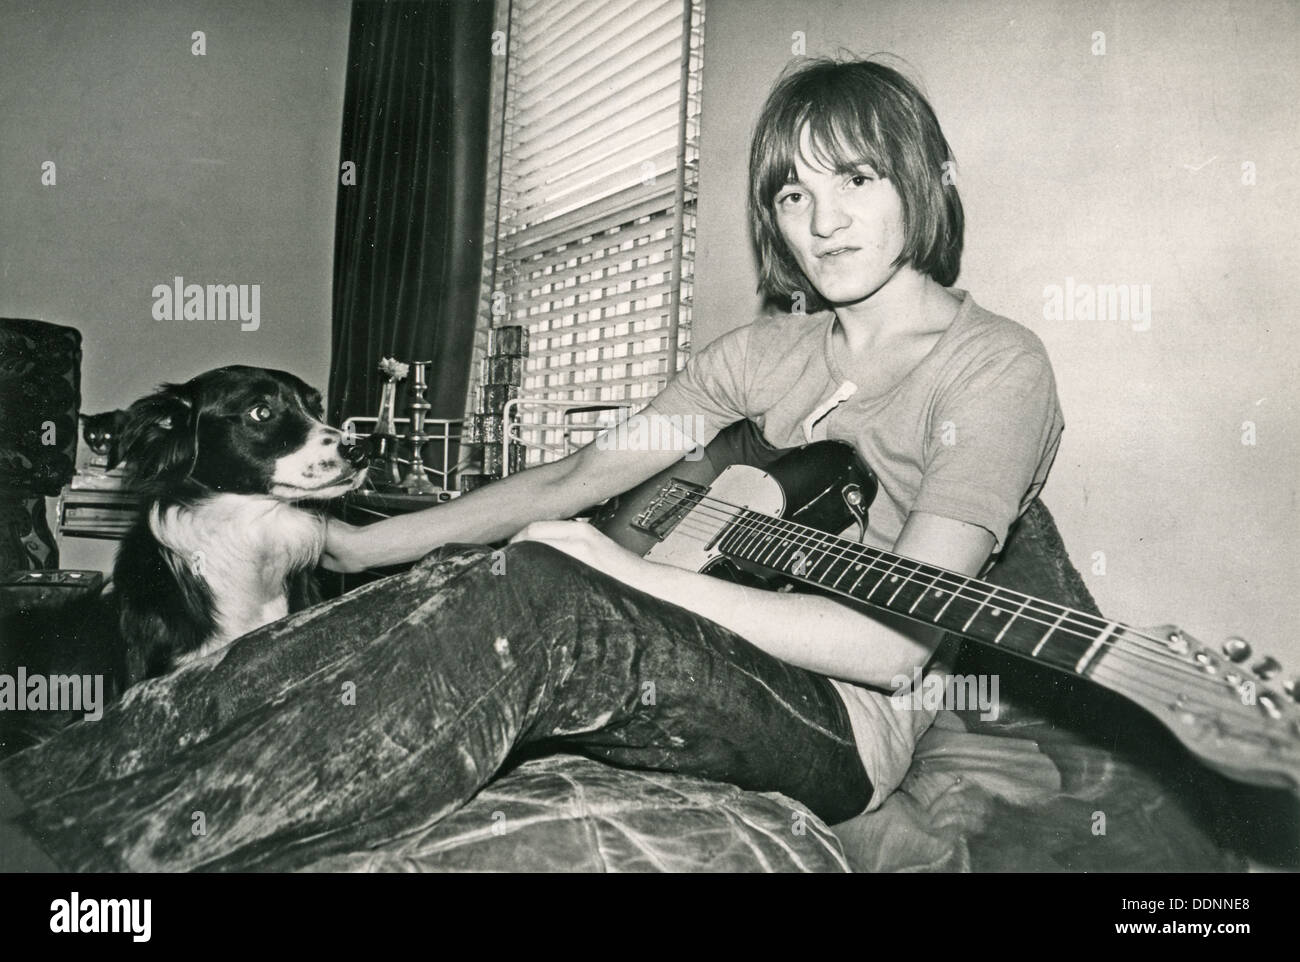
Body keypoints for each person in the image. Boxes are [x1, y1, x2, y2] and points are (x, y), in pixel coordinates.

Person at [0, 56, 1064, 871]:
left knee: (544, 591)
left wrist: (618, 574)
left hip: (839, 715)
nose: (820, 219)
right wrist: (370, 542)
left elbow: (885, 642)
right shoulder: (765, 352)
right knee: (465, 578)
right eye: (791, 193)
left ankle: (115, 861)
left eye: (856, 179)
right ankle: (61, 794)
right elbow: (571, 482)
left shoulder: (994, 367)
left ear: (927, 179)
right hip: (712, 633)